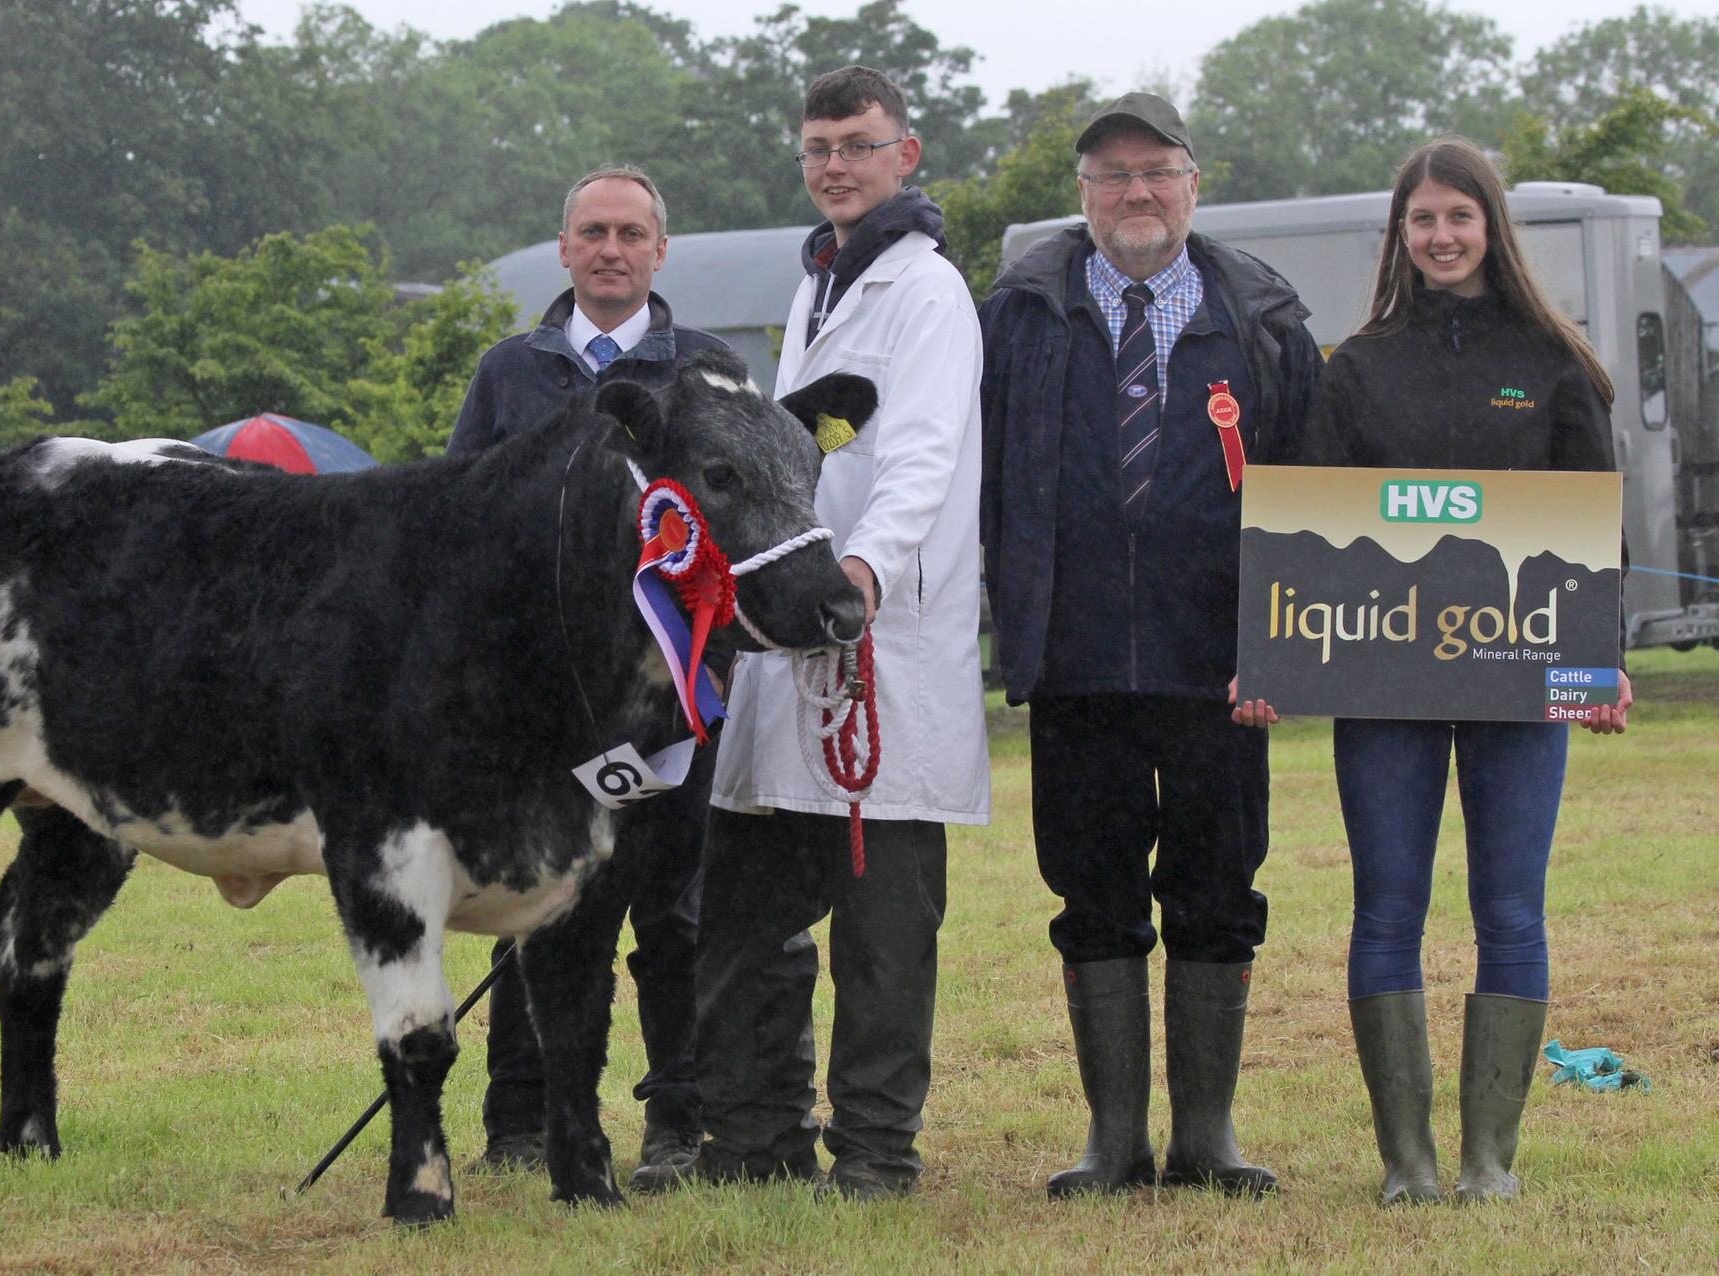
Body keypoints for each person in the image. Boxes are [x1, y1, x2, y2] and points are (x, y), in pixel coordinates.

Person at [978, 92, 1321, 1198]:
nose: (1134, 192)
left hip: (1218, 663)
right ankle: (1114, 1139)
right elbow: (978, 478)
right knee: (1090, 889)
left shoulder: (1263, 317)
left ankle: (1206, 1136)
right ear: (1081, 195)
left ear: (1192, 182)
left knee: (1218, 887)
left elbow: (1309, 492)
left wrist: (1276, 639)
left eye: (1155, 171)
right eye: (1111, 175)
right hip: (1073, 659)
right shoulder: (1019, 314)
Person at [1292, 137, 1632, 1205]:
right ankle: (1406, 1161)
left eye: (1457, 216)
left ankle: (1487, 1158)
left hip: (1517, 677)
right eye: (1421, 219)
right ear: (1399, 235)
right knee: (1384, 909)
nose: (1440, 236)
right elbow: (1307, 531)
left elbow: (1595, 531)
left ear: (1491, 226)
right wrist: (1277, 659)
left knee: (1510, 910)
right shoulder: (1352, 368)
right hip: (1382, 686)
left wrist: (1599, 661)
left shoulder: (1552, 361)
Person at [689, 64, 990, 1202]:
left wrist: (862, 570)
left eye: (856, 144)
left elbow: (918, 457)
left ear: (903, 154)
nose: (834, 165)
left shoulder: (927, 292)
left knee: (881, 933)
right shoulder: (815, 279)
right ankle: (752, 1133)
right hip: (784, 643)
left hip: (881, 646)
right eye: (818, 146)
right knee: (748, 911)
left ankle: (872, 1152)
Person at [446, 165, 731, 1192]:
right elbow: (459, 525)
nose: (610, 248)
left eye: (630, 233)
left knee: (673, 914)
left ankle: (676, 1123)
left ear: (660, 250)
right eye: (591, 232)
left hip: (669, 697)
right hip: (538, 710)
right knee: (535, 907)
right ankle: (518, 1119)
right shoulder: (506, 372)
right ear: (564, 249)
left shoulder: (704, 370)